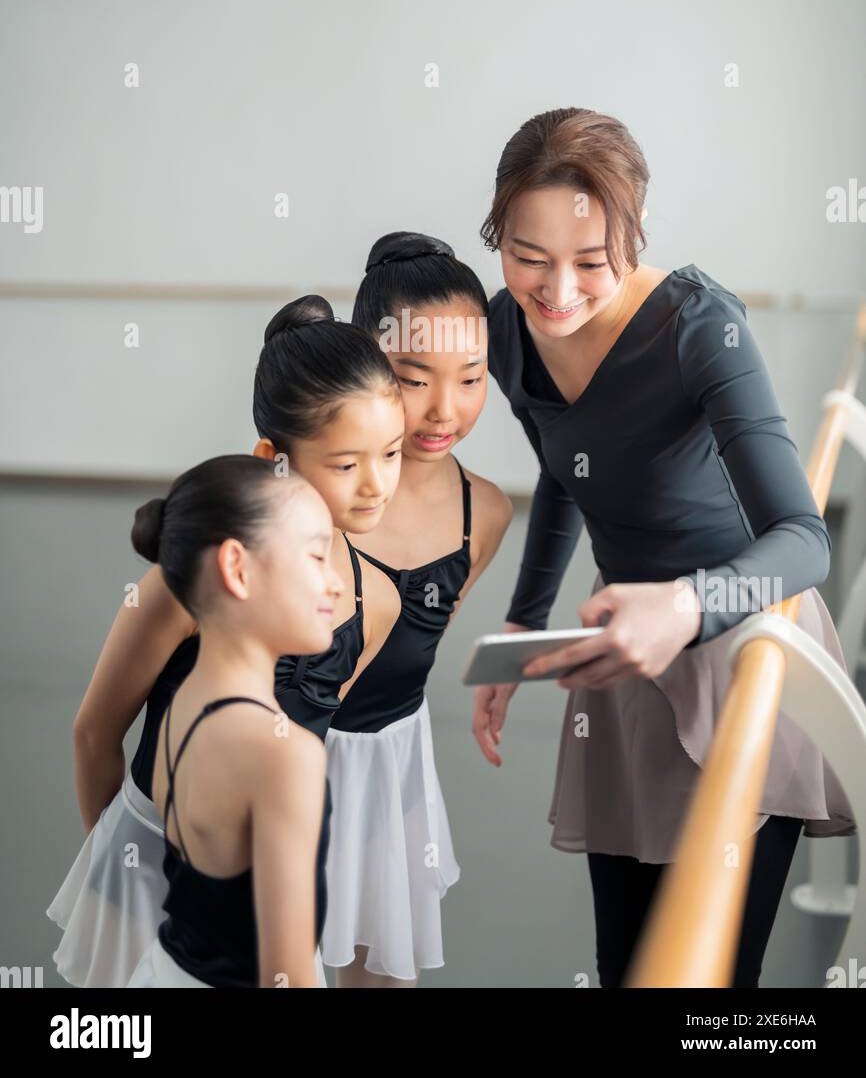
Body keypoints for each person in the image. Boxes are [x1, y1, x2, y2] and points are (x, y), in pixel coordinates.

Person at [473, 106, 856, 988]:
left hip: (745, 653)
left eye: (591, 264)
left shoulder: (698, 327)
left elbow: (804, 541)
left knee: (712, 986)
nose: (556, 290)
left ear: (634, 238)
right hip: (625, 670)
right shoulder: (506, 330)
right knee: (628, 969)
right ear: (497, 233)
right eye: (527, 257)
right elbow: (568, 470)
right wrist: (521, 634)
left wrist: (684, 605)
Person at [48, 297, 403, 986]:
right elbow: (95, 732)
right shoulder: (199, 575)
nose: (378, 484)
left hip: (257, 884)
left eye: (389, 454)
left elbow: (301, 755)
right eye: (346, 464)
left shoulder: (377, 602)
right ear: (273, 459)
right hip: (157, 861)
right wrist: (124, 874)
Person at [312, 233, 512, 987]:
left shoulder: (482, 514)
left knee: (381, 974)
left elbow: (408, 652)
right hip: (279, 755)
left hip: (386, 769)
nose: (444, 410)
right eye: (411, 378)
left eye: (470, 378)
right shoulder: (303, 492)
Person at [125, 454, 339, 987]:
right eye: (318, 556)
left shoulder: (185, 704)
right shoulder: (283, 753)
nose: (336, 584)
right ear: (237, 568)